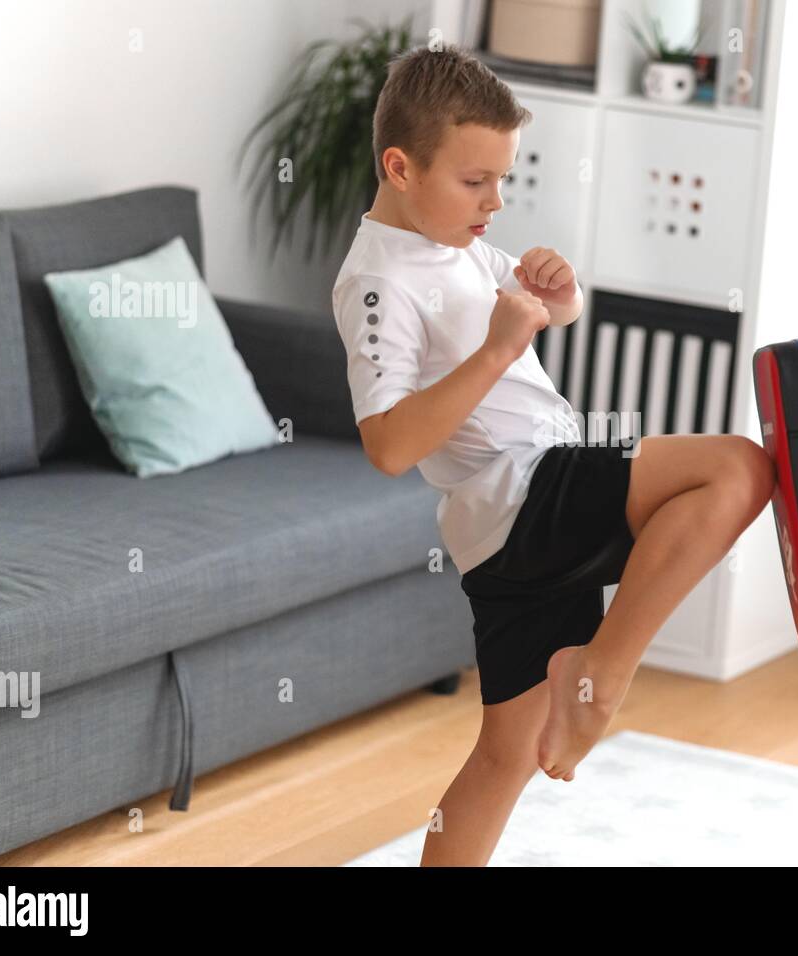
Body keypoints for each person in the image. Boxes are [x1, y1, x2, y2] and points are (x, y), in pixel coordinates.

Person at [331, 45, 775, 866]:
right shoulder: (376, 281)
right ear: (399, 166)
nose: (496, 201)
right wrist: (498, 352)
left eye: (503, 178)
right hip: (523, 496)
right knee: (740, 466)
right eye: (476, 181)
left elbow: (537, 308)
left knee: (504, 760)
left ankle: (590, 672)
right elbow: (388, 444)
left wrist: (556, 293)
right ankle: (603, 673)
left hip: (508, 534)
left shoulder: (456, 239)